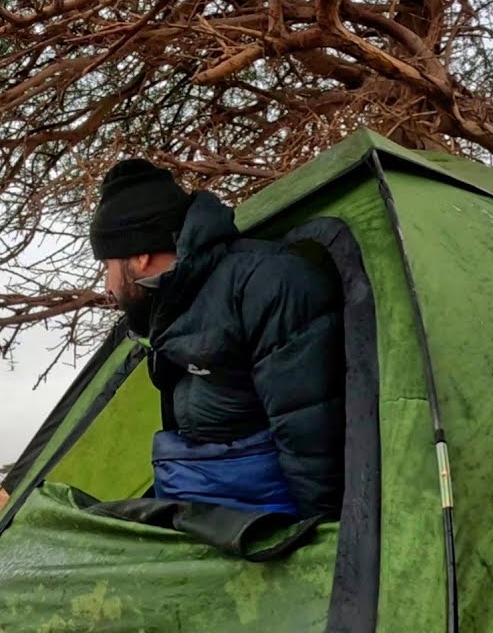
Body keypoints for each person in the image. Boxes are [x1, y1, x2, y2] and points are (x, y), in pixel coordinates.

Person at [88, 159, 345, 519]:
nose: (108, 285)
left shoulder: (268, 283)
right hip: (197, 505)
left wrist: (316, 543)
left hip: (256, 518)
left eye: (109, 267)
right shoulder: (169, 304)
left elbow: (311, 432)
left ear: (140, 256)